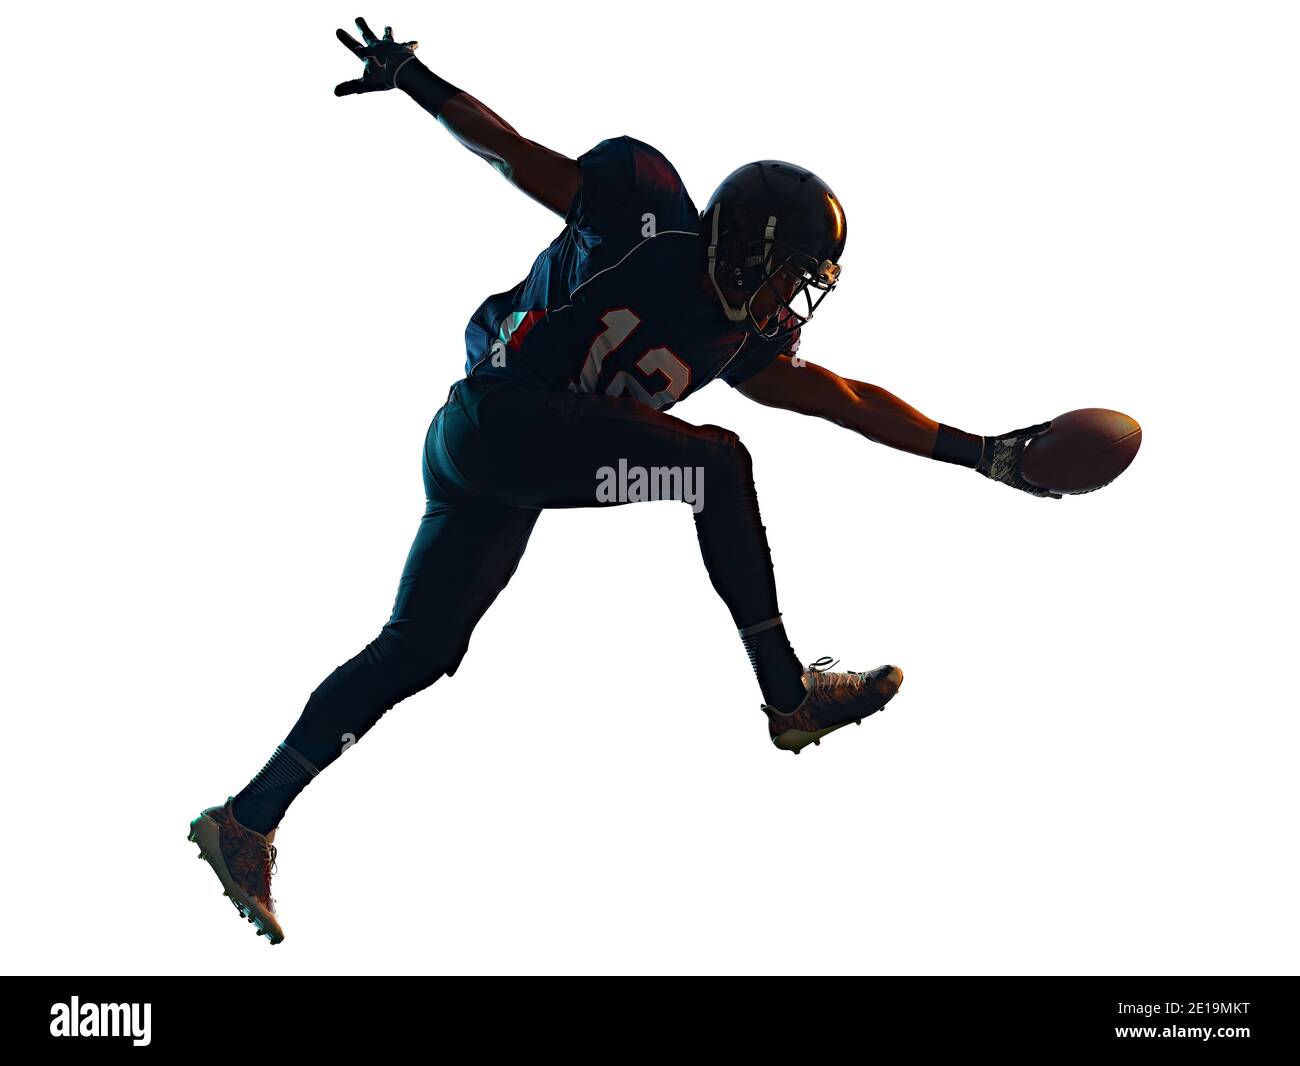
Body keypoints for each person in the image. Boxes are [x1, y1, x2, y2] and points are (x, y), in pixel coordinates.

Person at [188, 18, 1058, 945]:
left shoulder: (738, 340)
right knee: (715, 464)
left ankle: (246, 818)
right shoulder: (644, 215)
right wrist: (416, 79)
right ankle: (788, 697)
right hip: (499, 418)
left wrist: (981, 452)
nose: (791, 304)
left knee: (422, 649)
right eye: (790, 275)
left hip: (502, 466)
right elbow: (514, 156)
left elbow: (841, 399)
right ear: (748, 244)